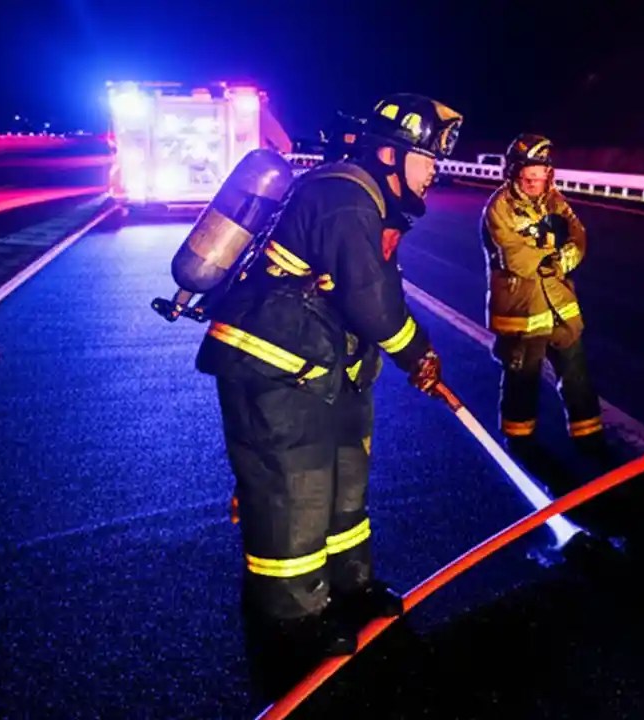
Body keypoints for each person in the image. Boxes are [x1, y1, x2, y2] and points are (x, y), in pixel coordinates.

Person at [195, 92, 463, 657]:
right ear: (391, 154)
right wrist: (421, 356)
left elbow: (374, 292)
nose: (435, 169)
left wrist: (407, 354)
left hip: (323, 367)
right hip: (272, 367)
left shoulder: (372, 203)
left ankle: (350, 588)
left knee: (344, 480)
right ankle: (290, 621)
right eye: (428, 157)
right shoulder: (345, 198)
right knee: (295, 490)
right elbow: (372, 303)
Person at [480, 133, 605, 456]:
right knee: (522, 378)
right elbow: (517, 259)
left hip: (559, 304)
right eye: (529, 174)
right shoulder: (499, 208)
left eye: (542, 173)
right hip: (521, 311)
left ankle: (589, 438)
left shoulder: (555, 200)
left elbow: (578, 238)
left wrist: (563, 255)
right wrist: (553, 249)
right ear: (514, 172)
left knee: (576, 373)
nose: (536, 180)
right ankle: (519, 442)